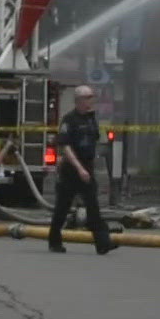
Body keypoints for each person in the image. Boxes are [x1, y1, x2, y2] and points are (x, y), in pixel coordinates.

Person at [47, 85, 116, 255]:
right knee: (62, 208)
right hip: (71, 169)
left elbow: (95, 140)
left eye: (92, 97)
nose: (91, 101)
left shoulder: (91, 119)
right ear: (79, 100)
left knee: (93, 206)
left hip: (87, 167)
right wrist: (79, 169)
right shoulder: (69, 120)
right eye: (88, 98)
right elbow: (65, 147)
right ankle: (54, 241)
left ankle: (103, 243)